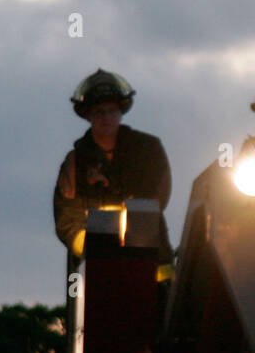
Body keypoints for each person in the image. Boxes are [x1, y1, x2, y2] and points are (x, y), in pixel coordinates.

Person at [53, 68, 174, 276]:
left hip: (153, 265)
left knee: (162, 305)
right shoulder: (75, 162)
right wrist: (91, 246)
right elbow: (66, 218)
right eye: (99, 112)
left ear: (121, 112)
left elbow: (156, 198)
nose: (106, 117)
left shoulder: (149, 149)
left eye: (111, 110)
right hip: (96, 274)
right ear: (88, 116)